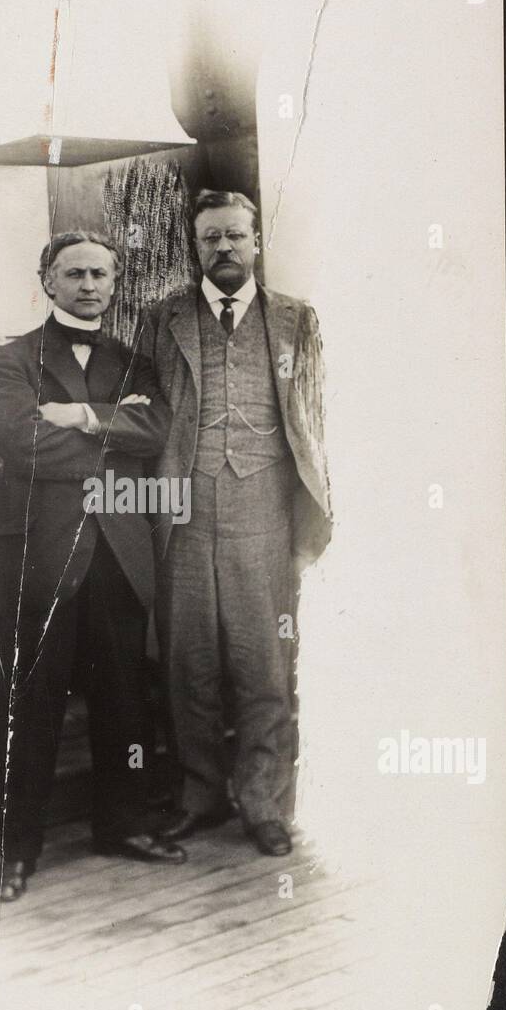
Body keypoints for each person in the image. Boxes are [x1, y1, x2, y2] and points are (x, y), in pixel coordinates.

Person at [0, 229, 186, 901]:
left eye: (101, 273)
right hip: (41, 550)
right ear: (47, 278)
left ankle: (122, 824)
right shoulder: (13, 358)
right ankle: (16, 848)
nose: (89, 285)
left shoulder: (133, 360)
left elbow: (156, 434)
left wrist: (78, 416)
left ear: (117, 280)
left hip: (118, 549)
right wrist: (109, 434)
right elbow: (18, 443)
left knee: (125, 697)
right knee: (30, 700)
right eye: (74, 274)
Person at [140, 190, 331, 857]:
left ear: (256, 242)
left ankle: (262, 801)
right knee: (188, 664)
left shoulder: (294, 319)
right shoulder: (163, 319)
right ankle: (199, 796)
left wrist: (314, 518)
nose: (223, 249)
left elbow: (316, 416)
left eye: (234, 237)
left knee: (264, 666)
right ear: (196, 247)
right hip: (185, 513)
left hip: (264, 512)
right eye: (210, 239)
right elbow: (146, 416)